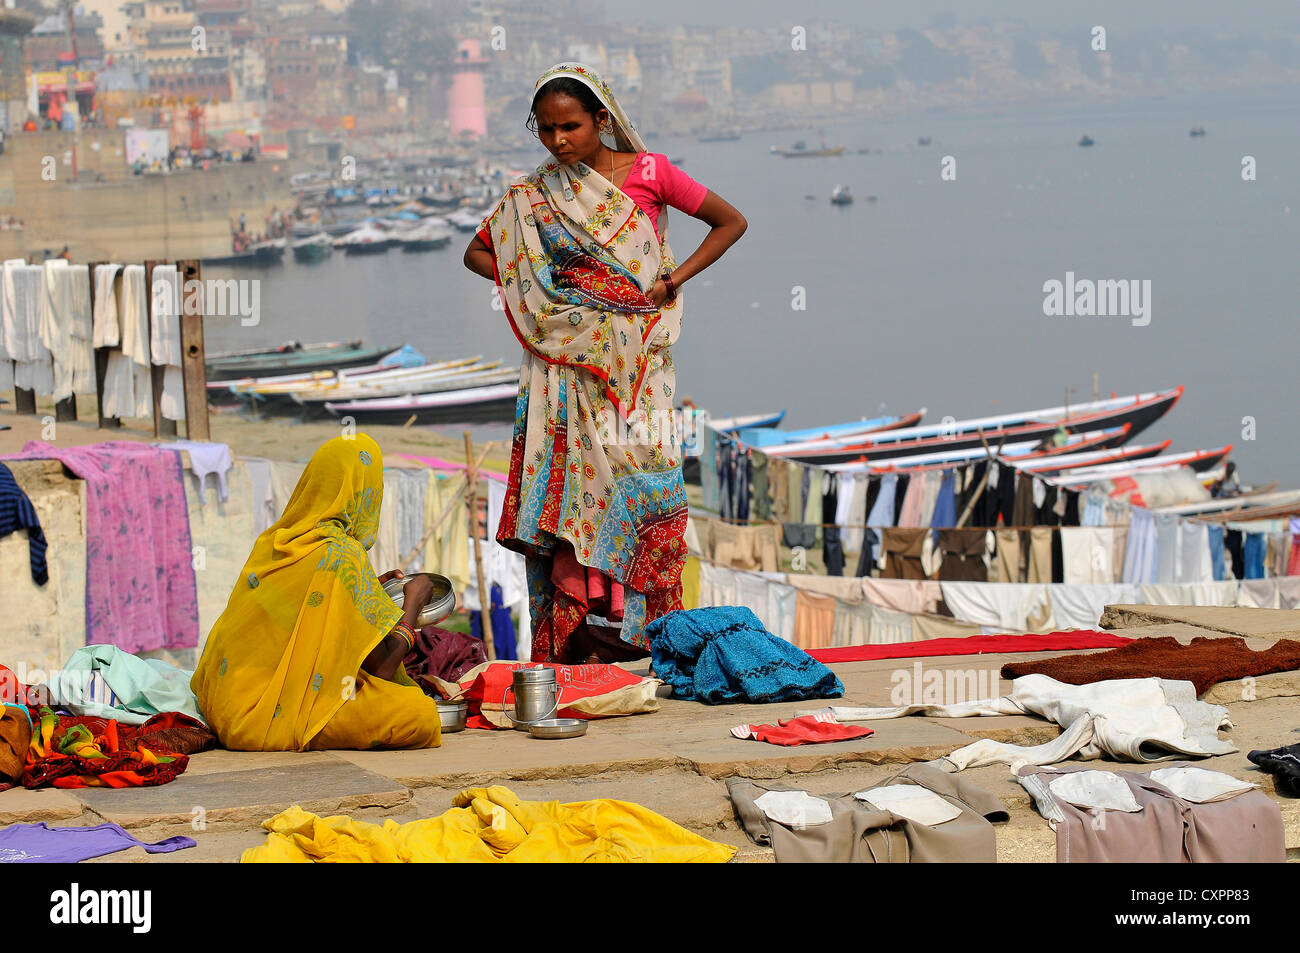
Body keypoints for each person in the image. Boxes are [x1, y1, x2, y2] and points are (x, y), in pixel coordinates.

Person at [462, 63, 747, 664]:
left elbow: (730, 222)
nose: (558, 141)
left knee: (641, 474)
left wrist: (672, 280)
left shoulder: (650, 172)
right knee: (572, 488)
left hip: (637, 364)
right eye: (545, 130)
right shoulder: (532, 195)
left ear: (602, 120)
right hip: (563, 363)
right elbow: (479, 254)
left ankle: (651, 630)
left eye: (570, 126)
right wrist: (547, 296)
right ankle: (583, 638)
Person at [191, 434, 441, 751]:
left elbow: (298, 615)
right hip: (261, 720)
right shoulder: (342, 554)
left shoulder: (277, 540)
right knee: (418, 712)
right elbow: (382, 667)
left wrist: (365, 592)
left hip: (223, 705)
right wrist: (412, 602)